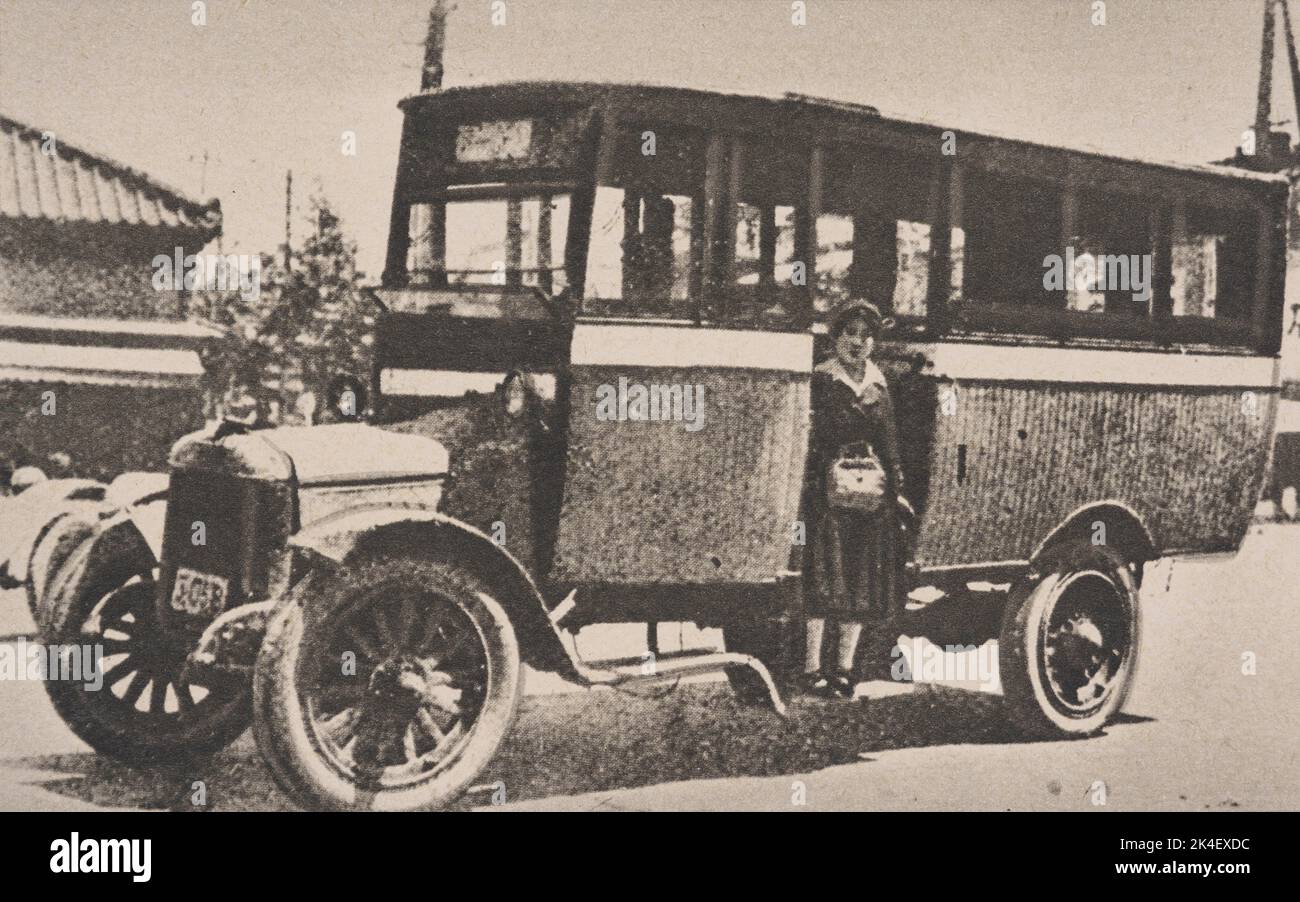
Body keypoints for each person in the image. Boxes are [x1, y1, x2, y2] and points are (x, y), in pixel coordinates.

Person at [802, 298, 907, 698]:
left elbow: (890, 440)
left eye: (866, 335)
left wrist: (896, 490)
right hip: (828, 489)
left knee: (861, 580)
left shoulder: (878, 384)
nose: (858, 342)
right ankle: (813, 667)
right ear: (836, 337)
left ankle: (845, 669)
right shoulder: (822, 380)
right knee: (826, 577)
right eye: (851, 333)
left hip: (869, 491)